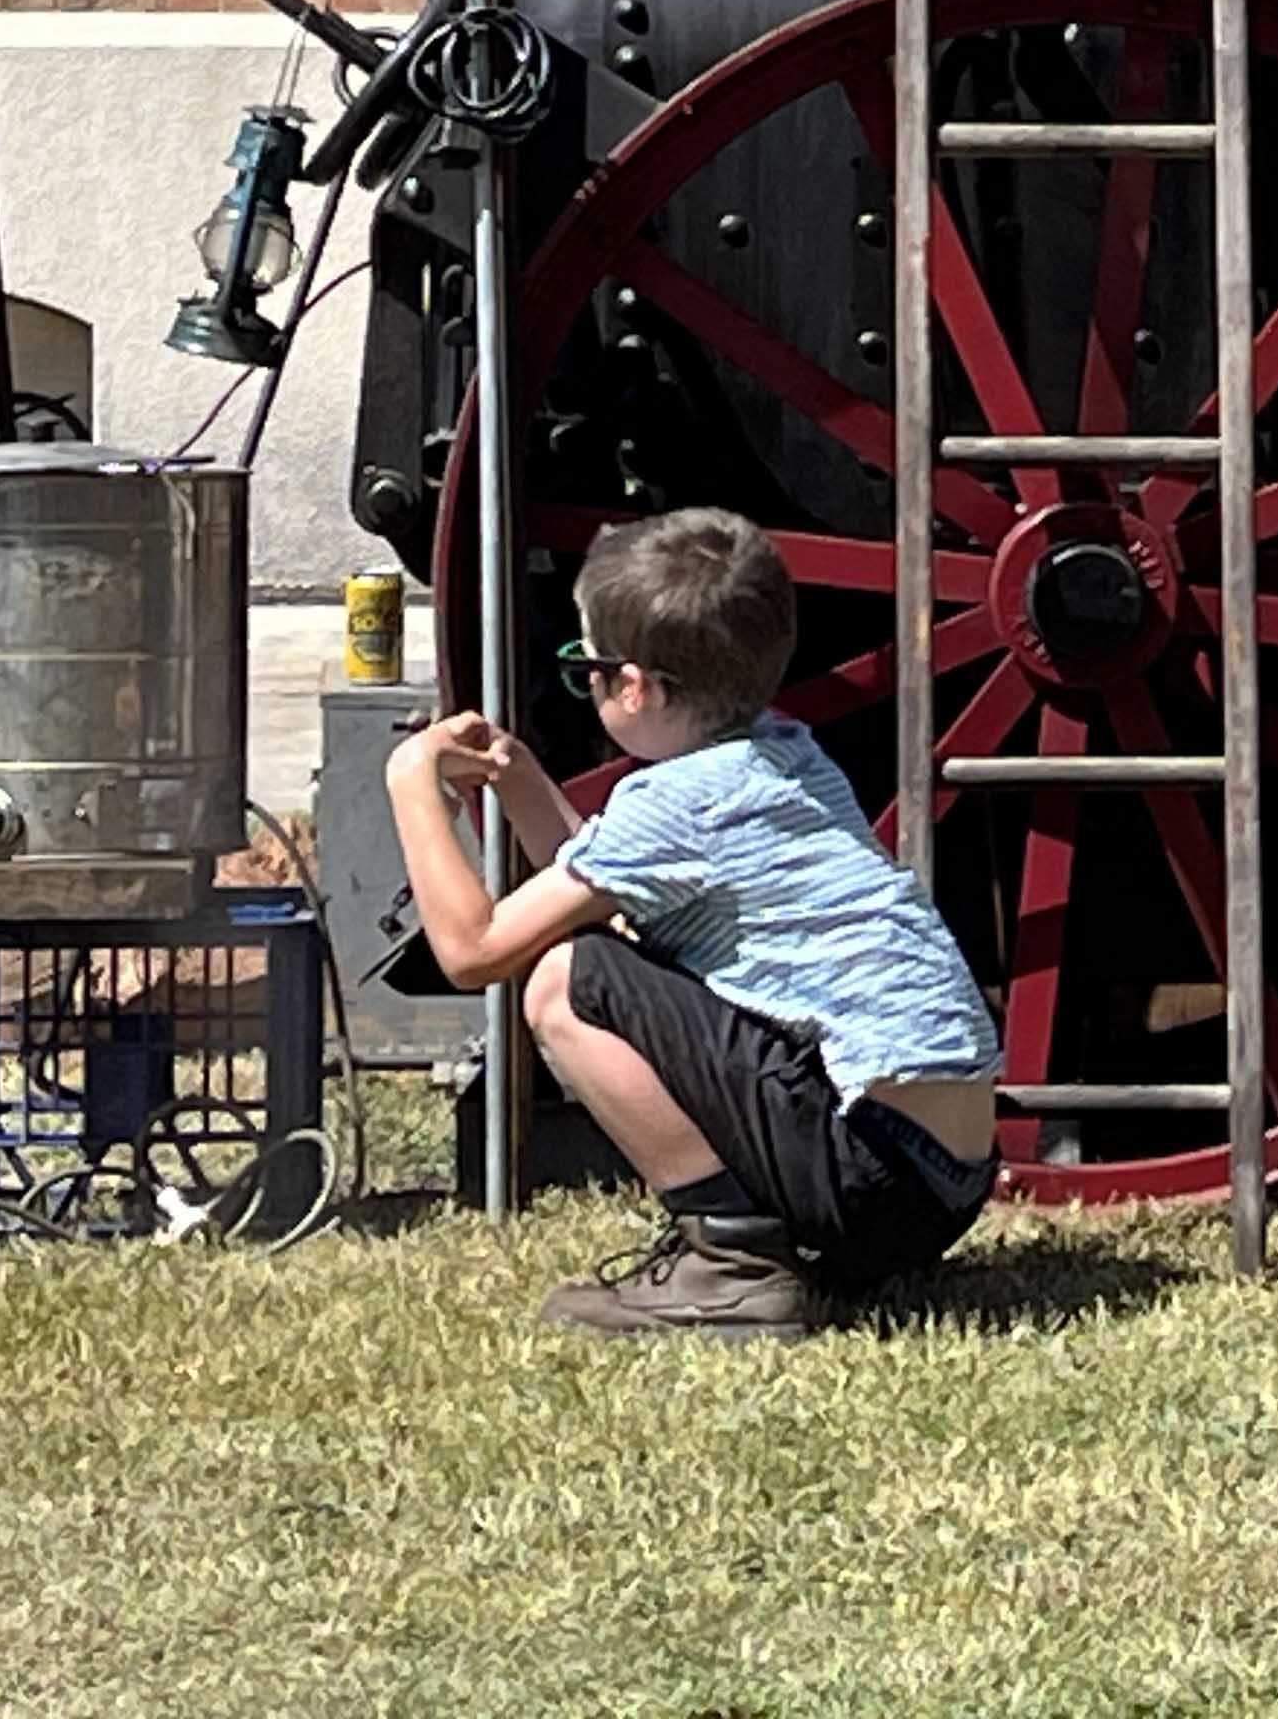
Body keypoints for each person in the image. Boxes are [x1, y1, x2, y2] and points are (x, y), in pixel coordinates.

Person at [382, 506, 1001, 1338]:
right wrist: (519, 776)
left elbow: (473, 950)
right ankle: (749, 1254)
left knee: (563, 982)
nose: (590, 683)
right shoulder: (787, 752)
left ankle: (730, 1264)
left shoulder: (676, 803)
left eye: (587, 666)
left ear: (633, 685)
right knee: (593, 958)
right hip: (946, 1183)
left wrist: (409, 782)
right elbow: (600, 886)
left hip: (868, 1174)